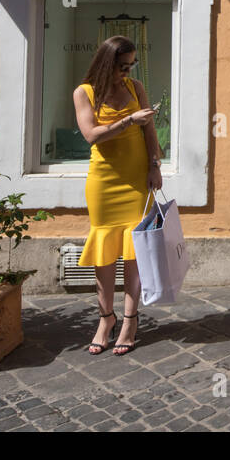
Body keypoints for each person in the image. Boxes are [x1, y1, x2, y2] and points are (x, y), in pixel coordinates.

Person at [72, 36, 163, 355]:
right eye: (122, 66)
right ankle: (105, 318)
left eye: (131, 65)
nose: (127, 71)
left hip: (137, 178)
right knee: (104, 251)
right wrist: (128, 120)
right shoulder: (84, 92)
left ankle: (130, 320)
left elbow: (149, 130)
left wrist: (154, 165)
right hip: (104, 180)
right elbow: (91, 135)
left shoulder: (135, 88)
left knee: (134, 251)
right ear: (106, 63)